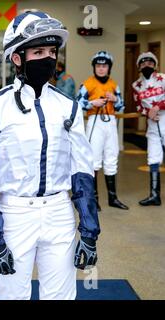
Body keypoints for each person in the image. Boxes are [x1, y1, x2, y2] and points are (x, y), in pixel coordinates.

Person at [0, 11, 100, 300]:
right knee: (13, 295)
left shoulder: (69, 107)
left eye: (52, 51)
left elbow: (82, 171)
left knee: (62, 296)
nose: (48, 58)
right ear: (17, 58)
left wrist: (89, 231)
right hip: (15, 213)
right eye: (38, 51)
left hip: (59, 212)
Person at [77, 51, 129, 211]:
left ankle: (113, 198)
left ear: (109, 67)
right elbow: (77, 103)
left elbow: (122, 106)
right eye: (98, 66)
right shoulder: (88, 83)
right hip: (95, 122)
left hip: (111, 121)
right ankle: (94, 199)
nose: (101, 69)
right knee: (94, 160)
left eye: (104, 66)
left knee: (112, 157)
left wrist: (116, 100)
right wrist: (93, 103)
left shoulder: (114, 84)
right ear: (94, 67)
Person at [133, 51, 164, 206]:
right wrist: (149, 113)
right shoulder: (136, 86)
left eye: (150, 63)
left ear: (155, 65)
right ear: (139, 66)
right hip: (152, 124)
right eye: (143, 63)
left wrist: (158, 106)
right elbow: (139, 106)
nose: (147, 65)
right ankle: (154, 195)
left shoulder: (163, 78)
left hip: (164, 119)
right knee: (153, 157)